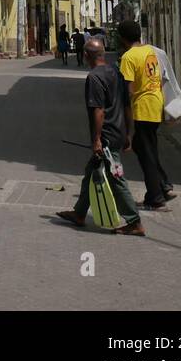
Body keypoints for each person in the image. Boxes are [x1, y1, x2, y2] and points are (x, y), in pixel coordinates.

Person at [58, 36, 144, 235]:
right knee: (92, 172)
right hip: (118, 131)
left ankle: (134, 221)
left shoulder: (94, 78)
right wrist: (129, 132)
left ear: (86, 55)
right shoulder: (116, 72)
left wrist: (96, 139)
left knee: (116, 178)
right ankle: (79, 213)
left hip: (106, 137)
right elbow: (126, 104)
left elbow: (99, 111)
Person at [118, 20, 171, 210]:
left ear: (122, 38)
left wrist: (128, 126)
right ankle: (161, 188)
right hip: (156, 103)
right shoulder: (150, 51)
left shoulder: (128, 57)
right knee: (150, 150)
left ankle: (157, 197)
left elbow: (129, 91)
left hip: (142, 108)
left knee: (145, 154)